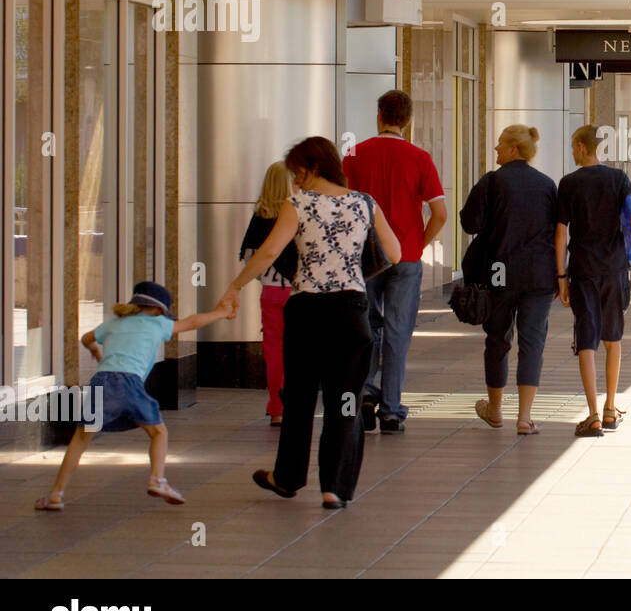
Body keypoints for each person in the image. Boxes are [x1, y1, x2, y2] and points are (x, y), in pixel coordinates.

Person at [222, 137, 401, 510]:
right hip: (351, 312)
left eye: (298, 172)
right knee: (346, 400)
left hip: (307, 310)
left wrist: (235, 285)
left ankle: (287, 478)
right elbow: (395, 252)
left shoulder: (298, 204)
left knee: (300, 398)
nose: (295, 181)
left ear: (313, 167)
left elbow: (270, 251)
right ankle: (335, 487)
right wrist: (353, 272)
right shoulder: (365, 203)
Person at [34, 282, 234, 511]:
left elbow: (86, 338)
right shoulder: (158, 323)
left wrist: (96, 350)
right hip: (129, 381)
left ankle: (56, 494)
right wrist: (221, 312)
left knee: (80, 439)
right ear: (159, 310)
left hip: (100, 381)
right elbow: (191, 322)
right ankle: (157, 479)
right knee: (158, 432)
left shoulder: (113, 323)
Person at [343, 90, 447, 436]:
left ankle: (366, 395)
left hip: (365, 256)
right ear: (408, 120)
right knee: (398, 332)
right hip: (406, 256)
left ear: (379, 115)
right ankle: (391, 409)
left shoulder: (355, 154)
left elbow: (343, 204)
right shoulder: (420, 157)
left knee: (366, 328)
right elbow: (440, 213)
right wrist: (418, 243)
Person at [460, 125, 557, 436]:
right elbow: (557, 231)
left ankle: (496, 409)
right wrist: (559, 275)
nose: (495, 149)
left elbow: (469, 222)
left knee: (498, 339)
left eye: (500, 144)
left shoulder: (492, 182)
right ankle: (525, 417)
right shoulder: (546, 185)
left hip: (499, 272)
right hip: (539, 276)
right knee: (532, 343)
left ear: (514, 149)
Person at [555, 124, 631, 438]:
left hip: (582, 270)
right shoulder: (617, 179)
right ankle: (609, 408)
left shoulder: (569, 184)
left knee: (586, 341)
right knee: (613, 338)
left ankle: (592, 415)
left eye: (572, 145)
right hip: (614, 269)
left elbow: (561, 232)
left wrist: (561, 277)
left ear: (580, 146)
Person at [239, 162, 297, 426]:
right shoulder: (298, 213)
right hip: (298, 295)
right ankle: (297, 403)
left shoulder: (259, 217)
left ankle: (277, 408)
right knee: (299, 351)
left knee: (273, 352)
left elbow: (251, 257)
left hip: (270, 294)